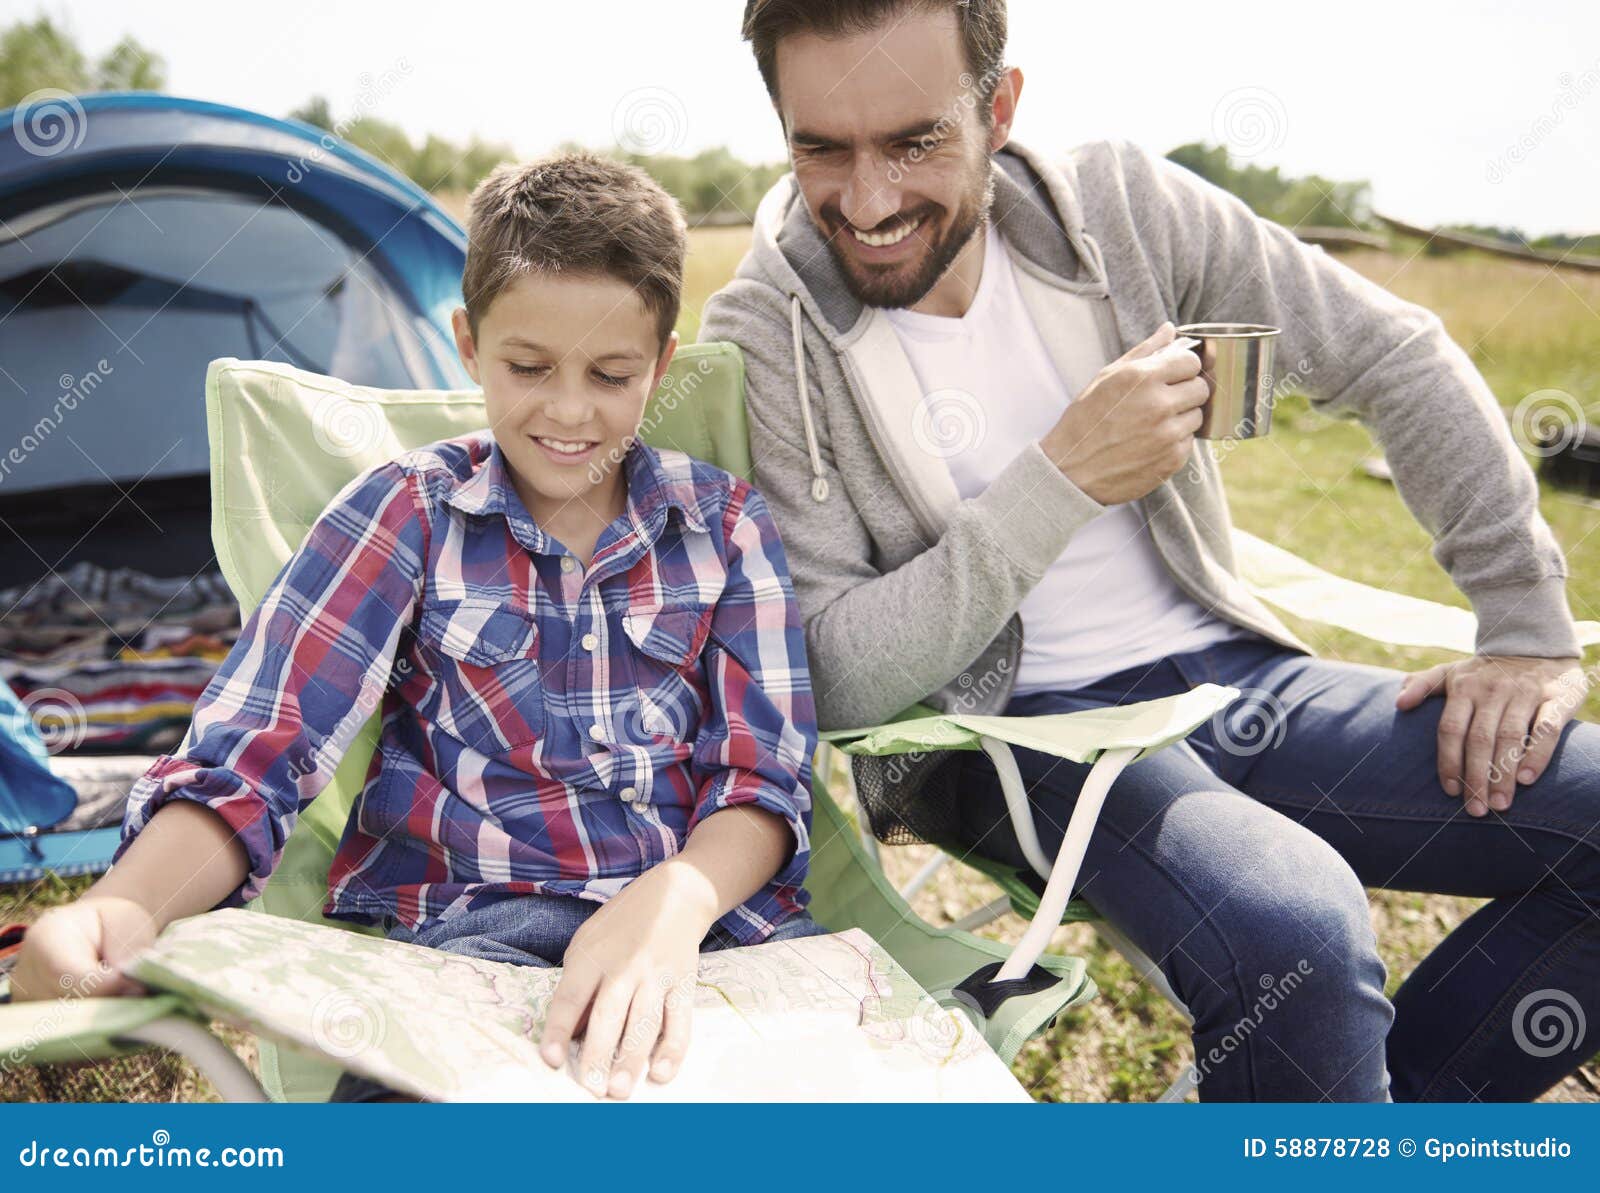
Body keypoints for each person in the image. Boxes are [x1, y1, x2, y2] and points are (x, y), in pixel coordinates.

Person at [702, 0, 1600, 1101]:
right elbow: (835, 674)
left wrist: (1523, 621)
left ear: (998, 108)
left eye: (914, 141)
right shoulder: (763, 334)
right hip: (1002, 734)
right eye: (822, 150)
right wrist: (1060, 478)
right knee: (1295, 929)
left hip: (1238, 682)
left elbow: (1393, 354)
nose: (870, 199)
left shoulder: (1122, 207)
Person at [11, 152, 822, 1102]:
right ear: (468, 344)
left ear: (662, 365)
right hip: (478, 952)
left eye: (612, 374)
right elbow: (261, 748)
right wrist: (119, 907)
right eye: (528, 367)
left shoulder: (724, 524)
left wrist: (679, 898)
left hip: (710, 940)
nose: (569, 409)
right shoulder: (408, 514)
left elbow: (763, 781)